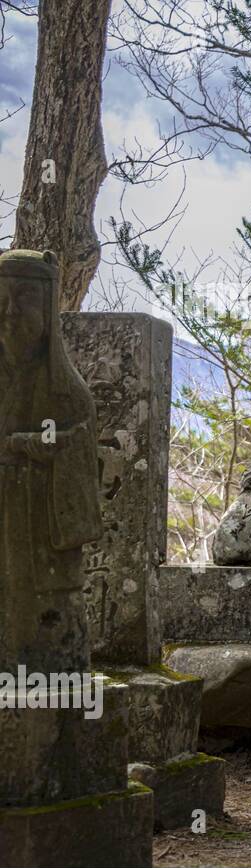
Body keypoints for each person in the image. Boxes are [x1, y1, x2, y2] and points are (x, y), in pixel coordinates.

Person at [0, 249, 102, 671]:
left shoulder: (66, 391)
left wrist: (24, 443)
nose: (8, 313)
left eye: (22, 299)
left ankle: (46, 666)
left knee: (38, 607)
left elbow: (72, 441)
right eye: (1, 299)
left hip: (38, 516)